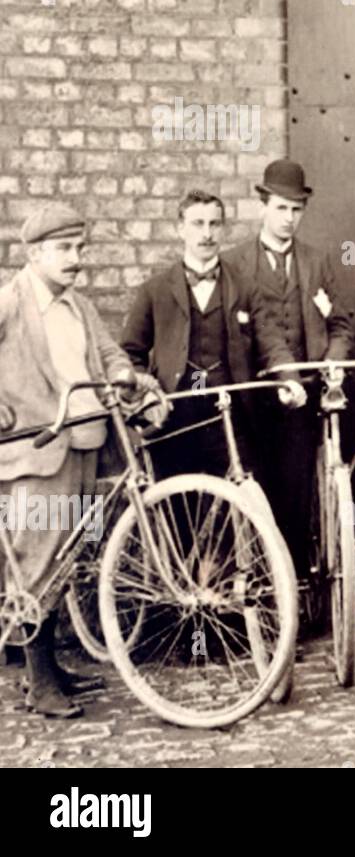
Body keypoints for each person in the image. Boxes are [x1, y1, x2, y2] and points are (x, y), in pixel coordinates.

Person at [0, 205, 157, 718]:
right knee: (36, 561)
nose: (76, 259)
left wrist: (126, 377)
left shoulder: (80, 306)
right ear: (35, 252)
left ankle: (52, 670)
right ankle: (39, 681)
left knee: (71, 556)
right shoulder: (10, 304)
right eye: (65, 249)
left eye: (80, 248)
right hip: (39, 454)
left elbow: (109, 354)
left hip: (90, 443)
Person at [225, 160, 353, 582]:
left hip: (303, 400)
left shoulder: (318, 262)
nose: (289, 219)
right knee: (256, 497)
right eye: (281, 208)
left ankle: (295, 595)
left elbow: (341, 323)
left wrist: (332, 361)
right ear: (263, 205)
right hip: (252, 402)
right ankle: (260, 595)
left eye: (297, 210)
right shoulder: (235, 264)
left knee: (297, 495)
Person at [120, 191, 304, 484]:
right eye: (198, 224)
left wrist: (290, 378)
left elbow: (271, 342)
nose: (207, 234)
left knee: (240, 509)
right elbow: (130, 354)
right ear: (180, 228)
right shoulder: (155, 291)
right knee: (178, 511)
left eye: (214, 224)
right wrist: (147, 394)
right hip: (174, 418)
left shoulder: (245, 287)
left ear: (223, 229)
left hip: (231, 417)